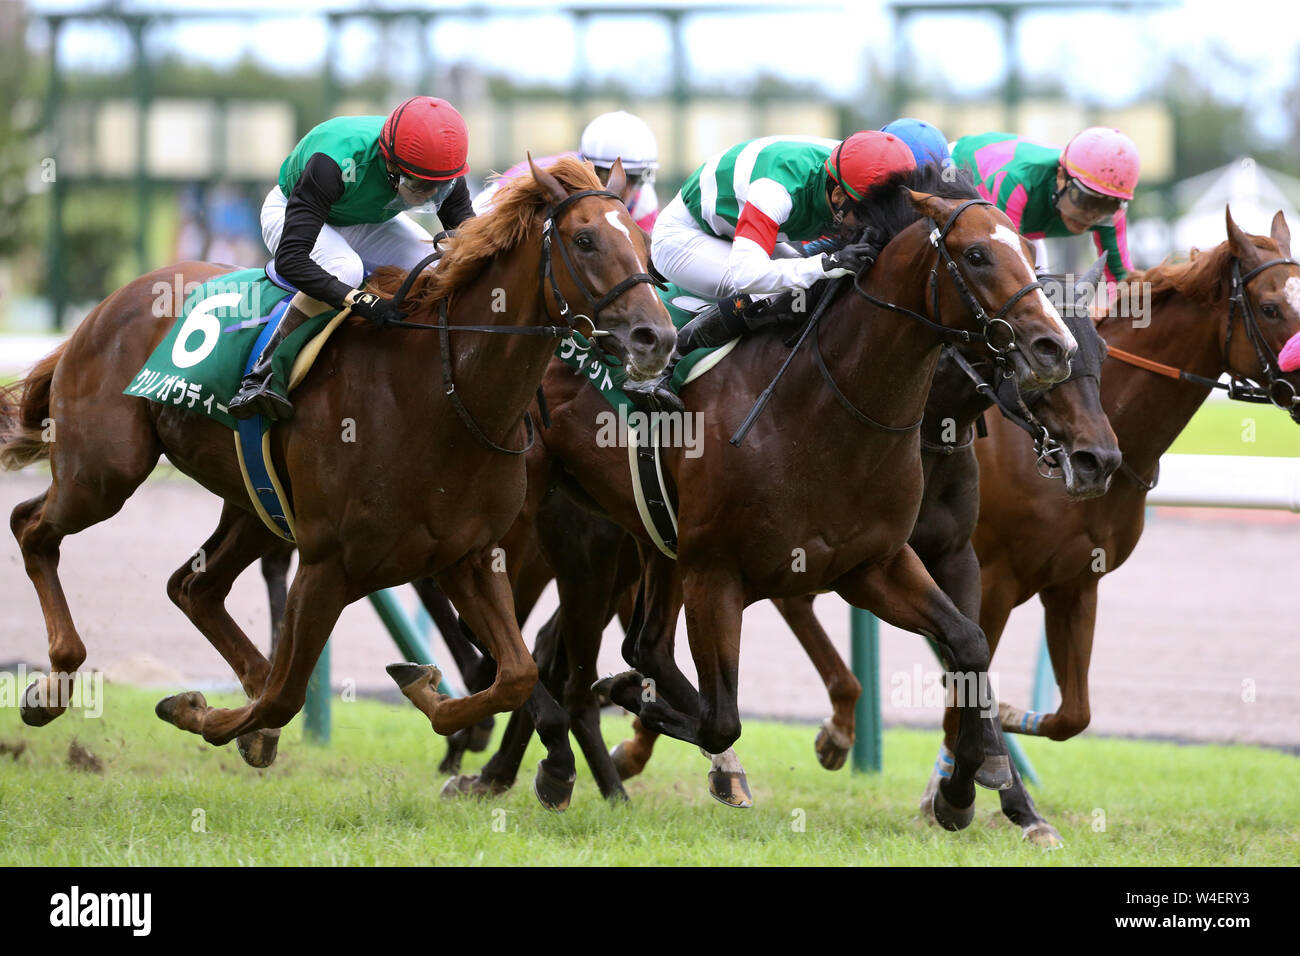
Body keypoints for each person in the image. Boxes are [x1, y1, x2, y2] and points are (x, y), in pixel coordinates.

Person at [624, 131, 916, 409]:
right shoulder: (776, 190)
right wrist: (828, 263)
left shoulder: (859, 167)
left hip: (747, 229)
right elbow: (748, 275)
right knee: (771, 290)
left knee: (809, 285)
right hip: (685, 238)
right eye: (866, 213)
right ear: (838, 194)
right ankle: (666, 361)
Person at [228, 95, 476, 421]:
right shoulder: (334, 160)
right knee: (345, 269)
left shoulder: (442, 168)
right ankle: (265, 372)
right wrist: (359, 300)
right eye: (417, 184)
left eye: (438, 187)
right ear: (389, 163)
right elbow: (292, 258)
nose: (429, 195)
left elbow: (468, 242)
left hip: (364, 217)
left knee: (431, 265)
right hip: (292, 210)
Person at [951, 127, 1139, 282]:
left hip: (1017, 219)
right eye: (1087, 199)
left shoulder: (1110, 213)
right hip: (952, 170)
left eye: (1108, 206)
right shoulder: (1018, 182)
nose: (1092, 215)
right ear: (1060, 177)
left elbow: (1121, 279)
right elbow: (1003, 269)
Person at [472, 110, 660, 231]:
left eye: (634, 180)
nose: (621, 189)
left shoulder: (643, 202)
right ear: (586, 167)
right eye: (606, 176)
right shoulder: (545, 184)